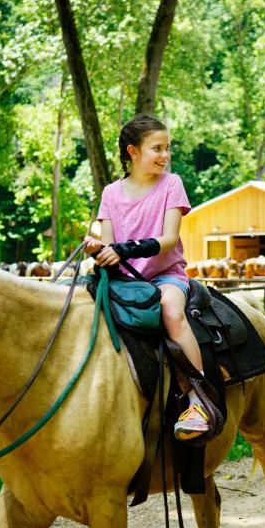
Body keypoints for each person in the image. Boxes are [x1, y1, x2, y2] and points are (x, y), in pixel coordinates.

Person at [84, 114, 211, 440]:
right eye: (157, 148)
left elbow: (168, 240)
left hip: (165, 276)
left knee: (170, 311)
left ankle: (199, 400)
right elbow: (111, 245)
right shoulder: (111, 193)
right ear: (133, 152)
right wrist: (99, 248)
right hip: (124, 280)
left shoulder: (172, 184)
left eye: (167, 148)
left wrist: (123, 249)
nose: (165, 155)